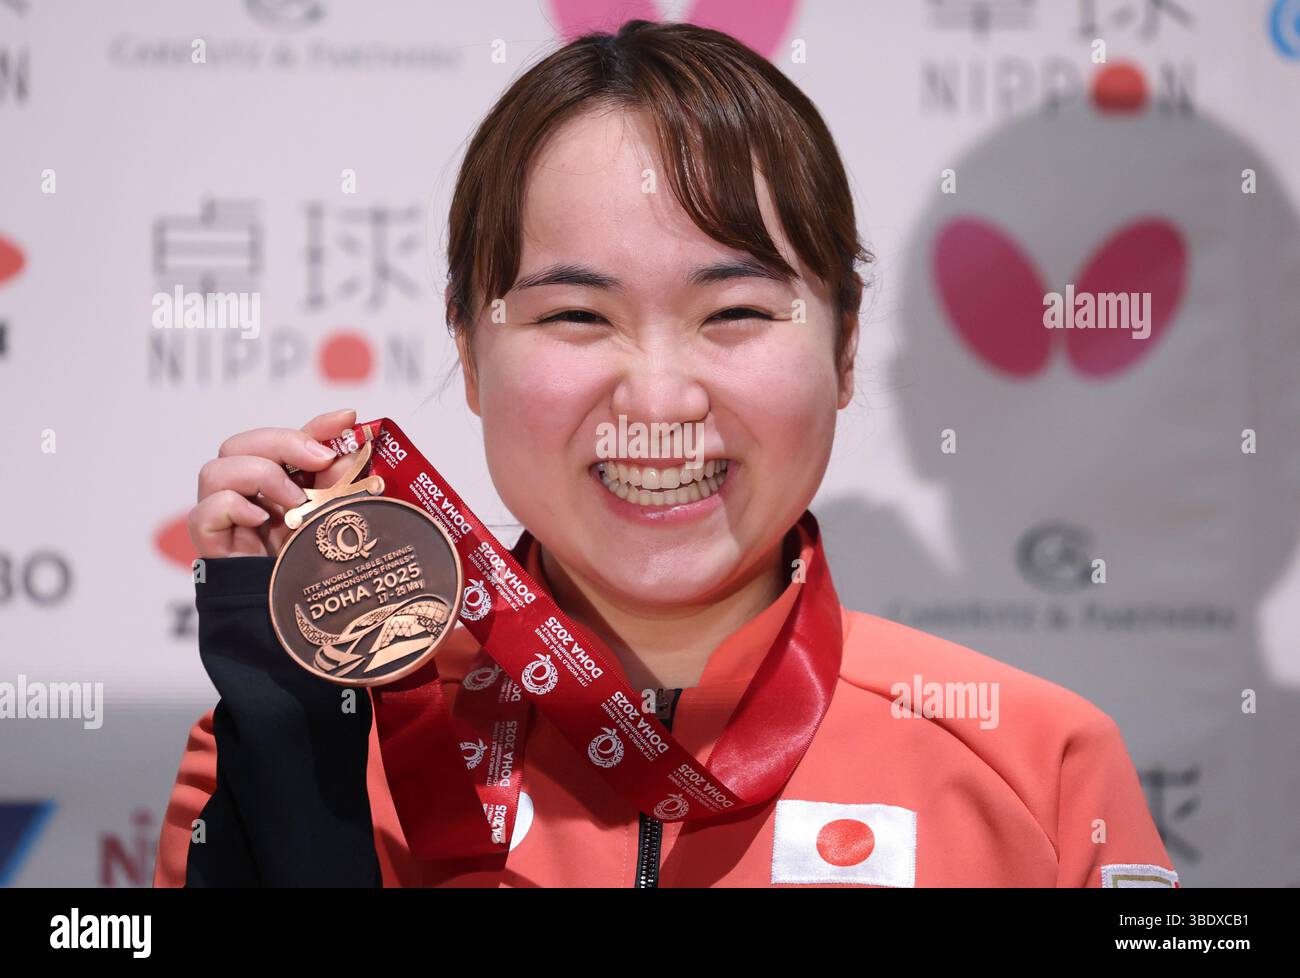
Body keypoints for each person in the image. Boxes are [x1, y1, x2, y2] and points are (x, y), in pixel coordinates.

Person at [154, 19, 1175, 888]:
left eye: (732, 310)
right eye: (576, 315)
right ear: (469, 354)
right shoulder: (298, 751)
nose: (656, 397)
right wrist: (295, 757)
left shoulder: (1038, 767)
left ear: (846, 350)